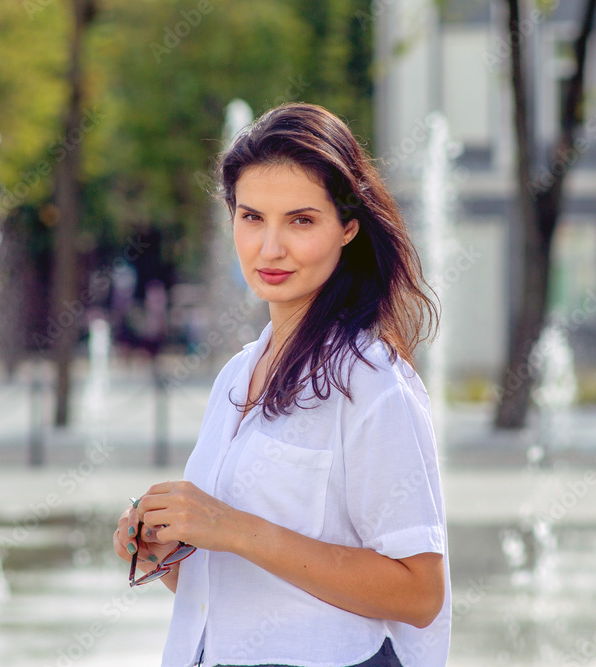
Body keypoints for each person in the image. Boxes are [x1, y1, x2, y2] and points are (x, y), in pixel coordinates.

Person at [113, 102, 451, 667]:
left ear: (348, 226)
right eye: (251, 218)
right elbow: (231, 588)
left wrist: (234, 529)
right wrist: (167, 547)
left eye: (300, 220)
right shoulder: (238, 373)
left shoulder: (371, 383)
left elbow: (419, 592)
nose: (270, 248)